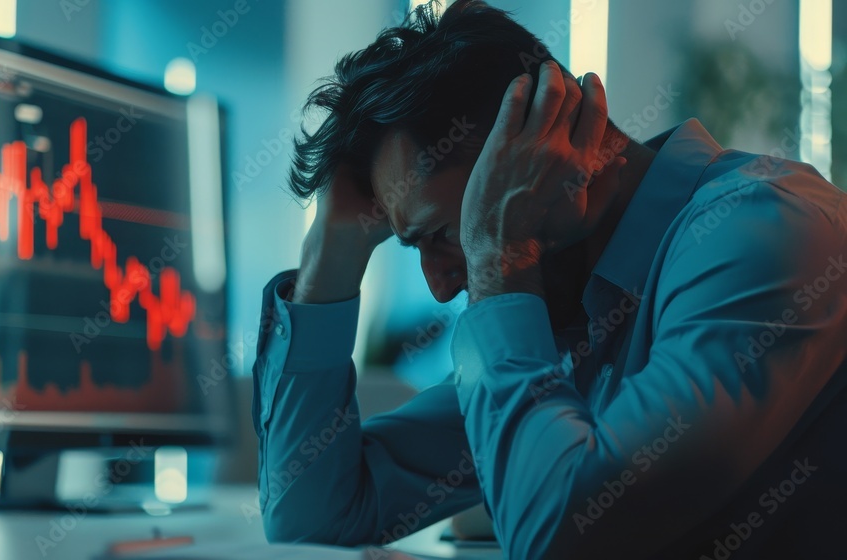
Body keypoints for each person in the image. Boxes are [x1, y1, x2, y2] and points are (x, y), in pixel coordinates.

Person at [251, 1, 847, 557]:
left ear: (546, 147)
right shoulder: (573, 312)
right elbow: (312, 521)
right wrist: (327, 266)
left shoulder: (766, 232)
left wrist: (498, 252)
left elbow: (563, 540)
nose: (441, 287)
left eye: (442, 233)